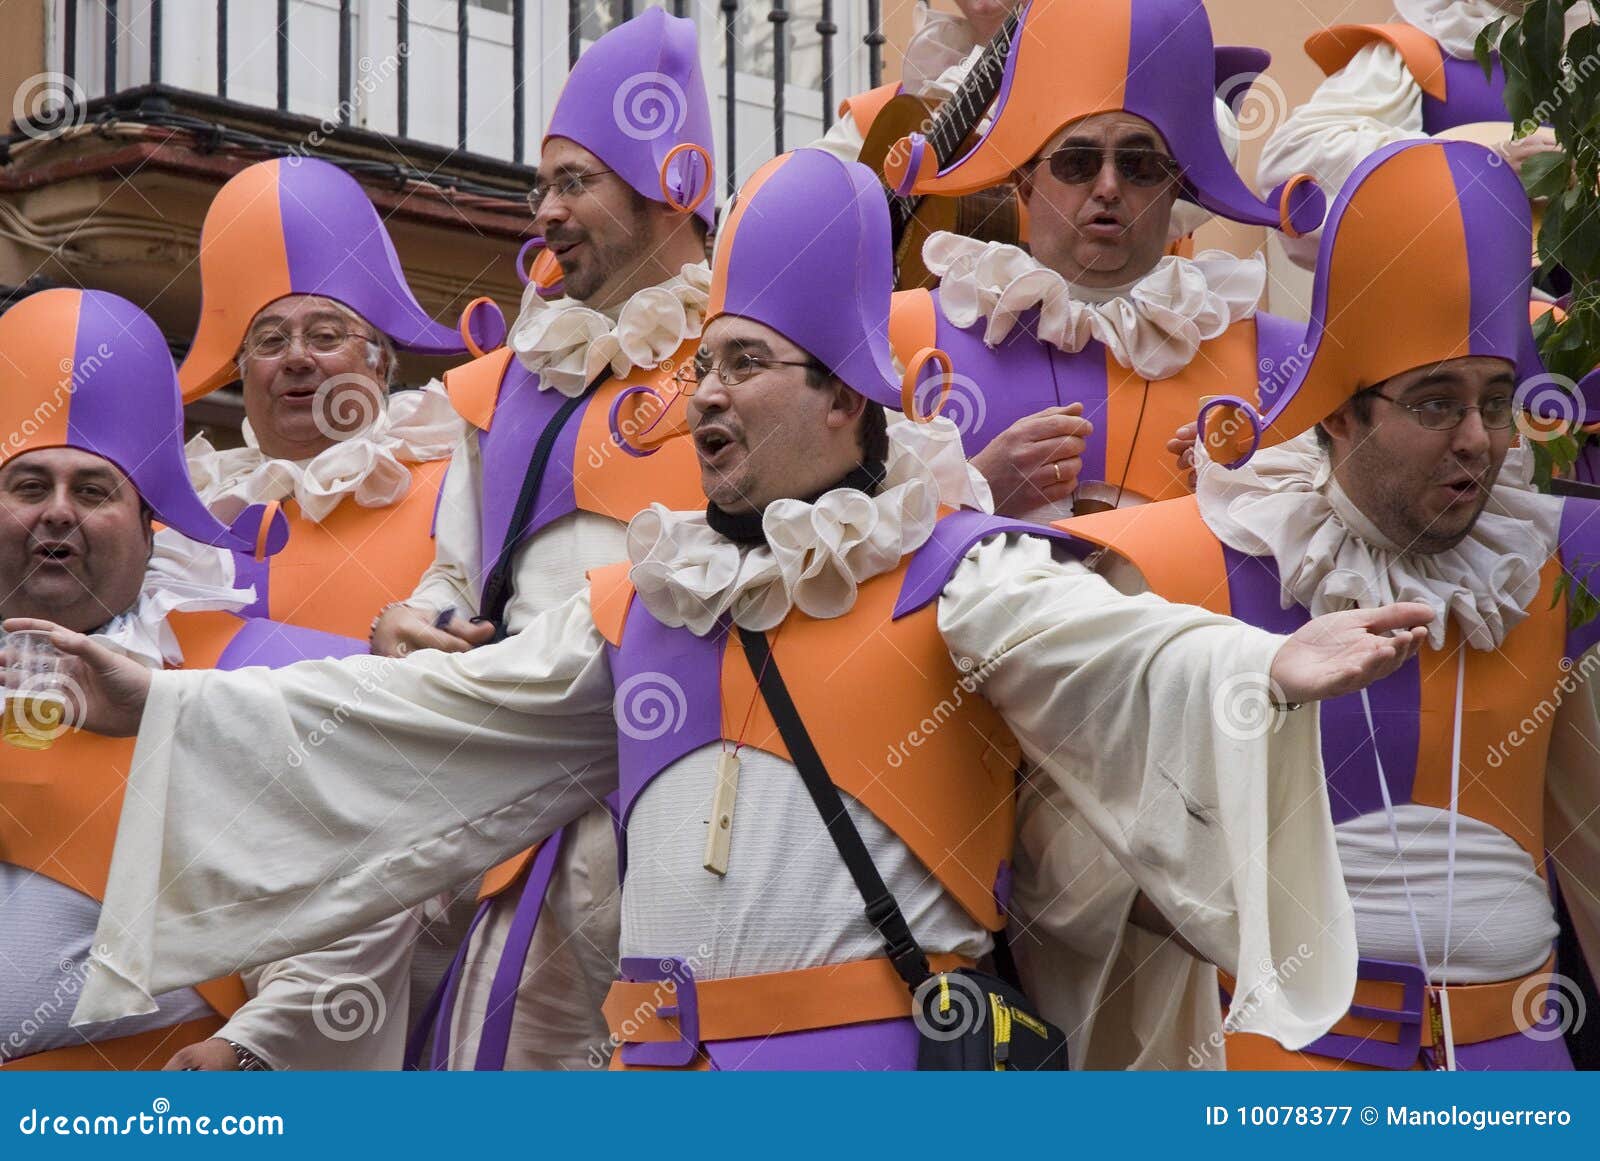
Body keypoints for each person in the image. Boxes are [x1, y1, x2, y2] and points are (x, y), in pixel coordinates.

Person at [36, 149, 1433, 1070]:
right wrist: (166, 701)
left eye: (744, 365)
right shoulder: (638, 608)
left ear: (842, 399)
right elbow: (415, 711)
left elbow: (1119, 650)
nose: (700, 394)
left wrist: (1262, 666)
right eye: (702, 365)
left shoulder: (959, 576)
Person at [1040, 139, 1600, 1070]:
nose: (1477, 439)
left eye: (1496, 401)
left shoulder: (1558, 566)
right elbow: (1059, 867)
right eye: (1435, 403)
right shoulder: (1180, 563)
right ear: (1339, 410)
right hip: (1285, 1080)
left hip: (1520, 1069)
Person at [370, 7, 714, 1070]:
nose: (546, 212)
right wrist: (412, 622)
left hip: (694, 828)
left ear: (670, 184)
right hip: (521, 829)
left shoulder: (752, 357)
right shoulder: (507, 383)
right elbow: (457, 575)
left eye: (575, 182)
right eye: (543, 186)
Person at [0, 289, 414, 1071]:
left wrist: (247, 1050)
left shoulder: (258, 673)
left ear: (149, 527)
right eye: (28, 486)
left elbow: (357, 908)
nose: (57, 512)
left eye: (92, 490)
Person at [881, 0, 1319, 518]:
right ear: (1025, 182)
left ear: (1174, 186)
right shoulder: (900, 340)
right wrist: (976, 489)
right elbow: (834, 547)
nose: (1108, 186)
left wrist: (1255, 501)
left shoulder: (1286, 362)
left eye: (1140, 164)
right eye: (1077, 162)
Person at [179, 155, 494, 638]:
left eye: (325, 336)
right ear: (243, 372)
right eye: (270, 341)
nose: (296, 358)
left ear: (380, 364)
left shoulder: (462, 480)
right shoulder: (191, 511)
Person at [1257, 0, 1587, 269]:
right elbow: (1294, 158)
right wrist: (1475, 165)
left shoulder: (1590, 56)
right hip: (1451, 311)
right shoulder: (1414, 53)